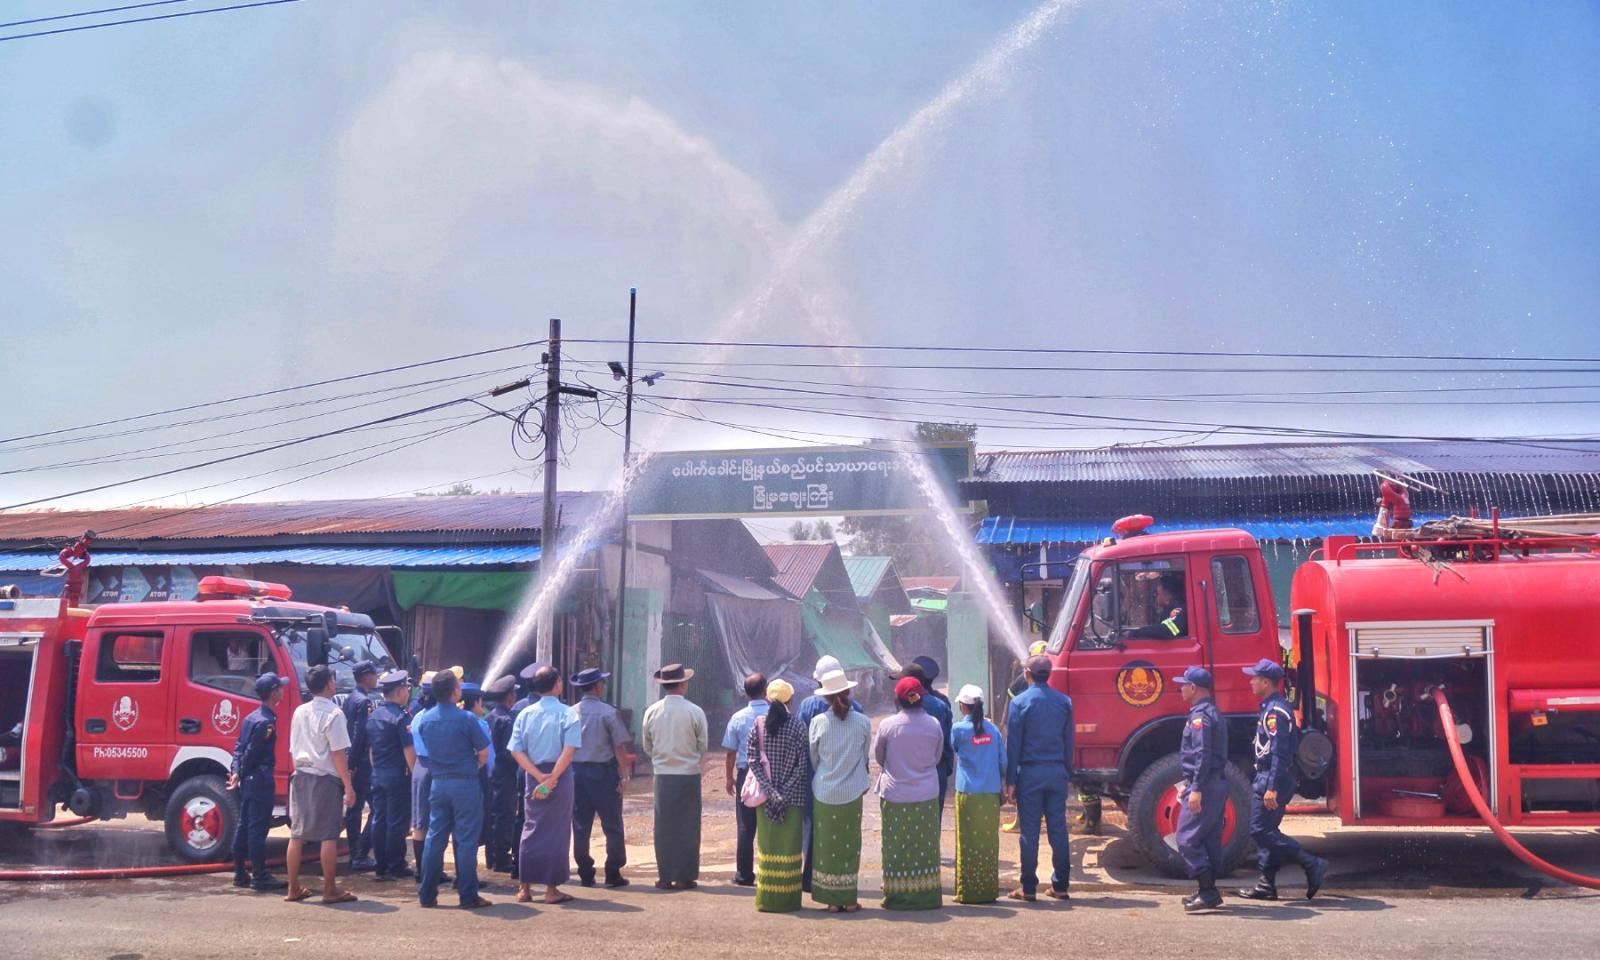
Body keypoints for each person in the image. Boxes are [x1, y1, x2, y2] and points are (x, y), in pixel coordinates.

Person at [1238, 658, 1330, 902]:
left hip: (1273, 777)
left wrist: (1271, 787)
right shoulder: (1270, 707)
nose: (1251, 681)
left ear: (1266, 682)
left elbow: (1279, 752)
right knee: (1268, 830)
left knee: (1258, 829)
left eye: (1254, 677)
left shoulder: (1275, 712)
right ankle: (1266, 884)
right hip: (1271, 776)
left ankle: (1312, 863)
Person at [416, 670, 491, 909]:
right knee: (466, 840)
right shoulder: (466, 719)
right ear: (455, 691)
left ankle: (427, 894)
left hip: (438, 782)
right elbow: (483, 753)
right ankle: (468, 895)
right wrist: (473, 767)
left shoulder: (426, 719)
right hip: (465, 782)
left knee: (435, 837)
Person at [508, 665, 581, 905]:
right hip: (559, 776)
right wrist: (553, 777)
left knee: (531, 828)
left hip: (533, 775)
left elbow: (516, 750)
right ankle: (551, 889)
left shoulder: (525, 714)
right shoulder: (568, 713)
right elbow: (569, 751)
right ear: (558, 684)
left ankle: (524, 887)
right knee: (557, 831)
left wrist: (538, 776)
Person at [284, 664, 358, 905]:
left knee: (297, 834)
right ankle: (329, 889)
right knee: (329, 835)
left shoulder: (299, 711)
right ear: (329, 684)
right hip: (325, 778)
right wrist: (348, 785)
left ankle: (293, 887)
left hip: (301, 774)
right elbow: (338, 754)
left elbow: (293, 748)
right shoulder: (334, 714)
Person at [1004, 654, 1072, 903]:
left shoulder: (1020, 703)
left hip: (1030, 774)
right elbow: (1069, 742)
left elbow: (1014, 745)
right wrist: (1068, 772)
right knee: (1058, 830)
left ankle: (1028, 888)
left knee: (1029, 833)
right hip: (1056, 772)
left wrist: (1010, 780)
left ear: (1027, 674)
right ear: (1049, 674)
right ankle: (1061, 885)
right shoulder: (1064, 702)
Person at [873, 675, 945, 910]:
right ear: (921, 698)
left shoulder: (887, 725)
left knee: (896, 846)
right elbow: (936, 757)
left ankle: (896, 895)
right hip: (926, 794)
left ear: (898, 699)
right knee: (924, 846)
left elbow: (879, 757)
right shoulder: (934, 724)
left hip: (895, 795)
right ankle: (926, 895)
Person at [794, 655, 863, 893]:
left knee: (814, 827)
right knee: (846, 833)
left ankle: (811, 879)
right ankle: (844, 884)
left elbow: (806, 747)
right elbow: (863, 753)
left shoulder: (807, 707)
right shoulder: (859, 713)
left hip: (817, 779)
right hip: (851, 782)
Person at [806, 669, 871, 913]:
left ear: (825, 696)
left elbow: (814, 759)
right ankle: (850, 898)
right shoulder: (863, 722)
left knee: (826, 846)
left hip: (824, 792)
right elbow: (864, 756)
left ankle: (832, 899)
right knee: (850, 845)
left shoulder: (818, 723)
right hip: (853, 792)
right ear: (849, 691)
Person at [639, 662, 708, 890]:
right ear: (683, 684)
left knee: (664, 825)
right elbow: (702, 745)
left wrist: (661, 758)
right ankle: (684, 876)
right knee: (688, 825)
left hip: (663, 775)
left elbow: (647, 746)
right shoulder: (695, 711)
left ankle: (665, 875)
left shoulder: (651, 711)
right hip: (688, 774)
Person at [746, 679, 810, 913]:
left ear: (767, 698)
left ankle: (767, 899)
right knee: (790, 848)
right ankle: (788, 901)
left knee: (768, 847)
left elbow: (752, 760)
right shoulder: (798, 725)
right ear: (790, 700)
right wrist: (783, 793)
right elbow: (801, 765)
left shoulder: (759, 724)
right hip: (792, 798)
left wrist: (771, 791)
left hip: (765, 798)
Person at [570, 666, 633, 888]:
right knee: (612, 823)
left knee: (580, 825)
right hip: (603, 774)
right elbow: (619, 746)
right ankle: (613, 872)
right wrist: (624, 775)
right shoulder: (608, 712)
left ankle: (585, 872)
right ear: (597, 687)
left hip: (576, 773)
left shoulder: (570, 712)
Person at [1174, 666, 1227, 912]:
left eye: (1183, 685)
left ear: (1193, 688)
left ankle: (1208, 892)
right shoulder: (1209, 711)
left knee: (1185, 838)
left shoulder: (1199, 717)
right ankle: (1207, 890)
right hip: (1213, 783)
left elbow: (1202, 753)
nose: (1180, 689)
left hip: (1205, 786)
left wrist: (1195, 788)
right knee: (1208, 839)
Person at [229, 672, 288, 892]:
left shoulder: (251, 718)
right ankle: (259, 875)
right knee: (257, 829)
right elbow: (252, 752)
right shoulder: (266, 722)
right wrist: (242, 772)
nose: (283, 690)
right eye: (280, 687)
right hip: (260, 778)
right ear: (274, 693)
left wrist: (236, 772)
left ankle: (239, 872)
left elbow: (238, 748)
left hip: (249, 780)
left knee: (244, 825)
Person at [951, 683, 1006, 904]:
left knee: (966, 842)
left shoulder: (958, 730)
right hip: (991, 793)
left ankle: (967, 892)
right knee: (988, 842)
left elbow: (954, 749)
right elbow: (1003, 761)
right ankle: (987, 890)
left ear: (963, 707)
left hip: (967, 793)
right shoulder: (993, 730)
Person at [367, 669, 416, 880]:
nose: (408, 692)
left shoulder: (374, 715)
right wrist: (415, 775)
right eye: (406, 688)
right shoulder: (401, 717)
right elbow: (409, 751)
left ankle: (380, 863)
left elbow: (371, 750)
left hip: (378, 773)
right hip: (397, 775)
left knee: (379, 818)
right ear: (399, 691)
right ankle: (396, 863)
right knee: (397, 821)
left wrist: (376, 768)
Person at [722, 672, 769, 887]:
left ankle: (744, 875)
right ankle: (771, 871)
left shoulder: (738, 717)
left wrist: (729, 778)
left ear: (746, 693)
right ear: (765, 691)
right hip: (770, 774)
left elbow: (730, 752)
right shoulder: (776, 714)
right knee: (770, 822)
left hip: (745, 775)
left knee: (745, 826)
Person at [1003, 641, 1048, 835]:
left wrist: (1004, 725)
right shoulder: (1051, 679)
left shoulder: (1022, 679)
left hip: (1025, 739)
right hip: (1046, 740)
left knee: (1023, 782)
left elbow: (1009, 704)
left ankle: (1021, 821)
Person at [506, 660, 546, 877]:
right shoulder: (550, 708)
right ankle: (540, 862)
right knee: (545, 815)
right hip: (546, 770)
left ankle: (518, 861)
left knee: (522, 814)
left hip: (523, 768)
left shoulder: (518, 708)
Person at [902, 660, 954, 812]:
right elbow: (946, 740)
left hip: (910, 771)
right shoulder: (942, 703)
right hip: (937, 770)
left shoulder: (905, 701)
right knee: (933, 821)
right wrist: (946, 768)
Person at [342, 660, 379, 872]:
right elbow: (359, 734)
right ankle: (359, 853)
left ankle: (356, 852)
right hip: (362, 762)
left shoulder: (351, 698)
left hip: (357, 760)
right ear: (366, 676)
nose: (375, 678)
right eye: (373, 675)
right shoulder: (363, 701)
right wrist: (354, 762)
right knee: (373, 808)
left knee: (355, 809)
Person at [483, 675, 519, 875]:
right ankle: (502, 859)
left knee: (492, 814)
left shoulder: (488, 718)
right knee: (505, 815)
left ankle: (491, 857)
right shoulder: (507, 720)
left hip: (489, 773)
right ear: (510, 697)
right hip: (505, 774)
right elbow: (509, 752)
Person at [1128, 573, 1187, 639]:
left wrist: (1136, 633)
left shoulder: (1179, 610)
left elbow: (1167, 631)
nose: (1156, 597)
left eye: (1157, 593)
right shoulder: (1169, 610)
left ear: (1167, 595)